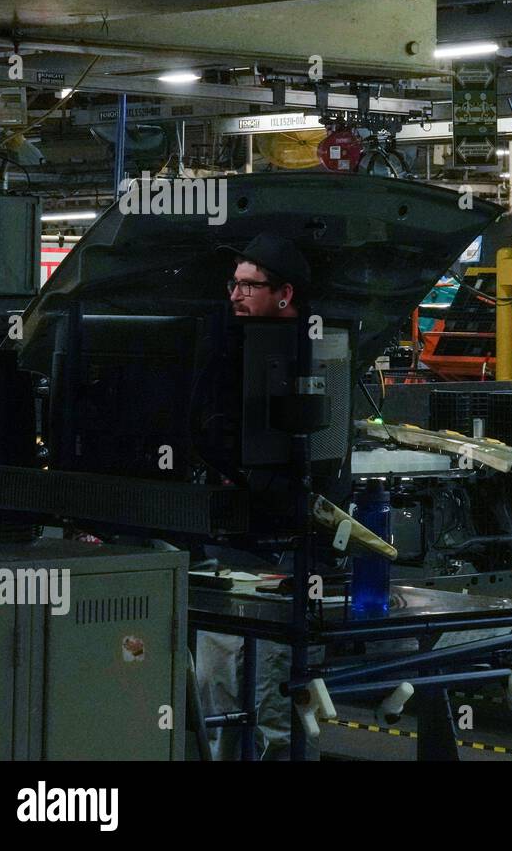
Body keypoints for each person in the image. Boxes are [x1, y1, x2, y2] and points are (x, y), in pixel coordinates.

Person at [195, 232, 315, 761]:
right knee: (218, 688)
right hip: (231, 545)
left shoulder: (312, 350)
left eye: (250, 286)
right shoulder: (224, 346)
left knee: (273, 695)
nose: (236, 295)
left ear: (284, 294)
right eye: (235, 284)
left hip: (285, 550)